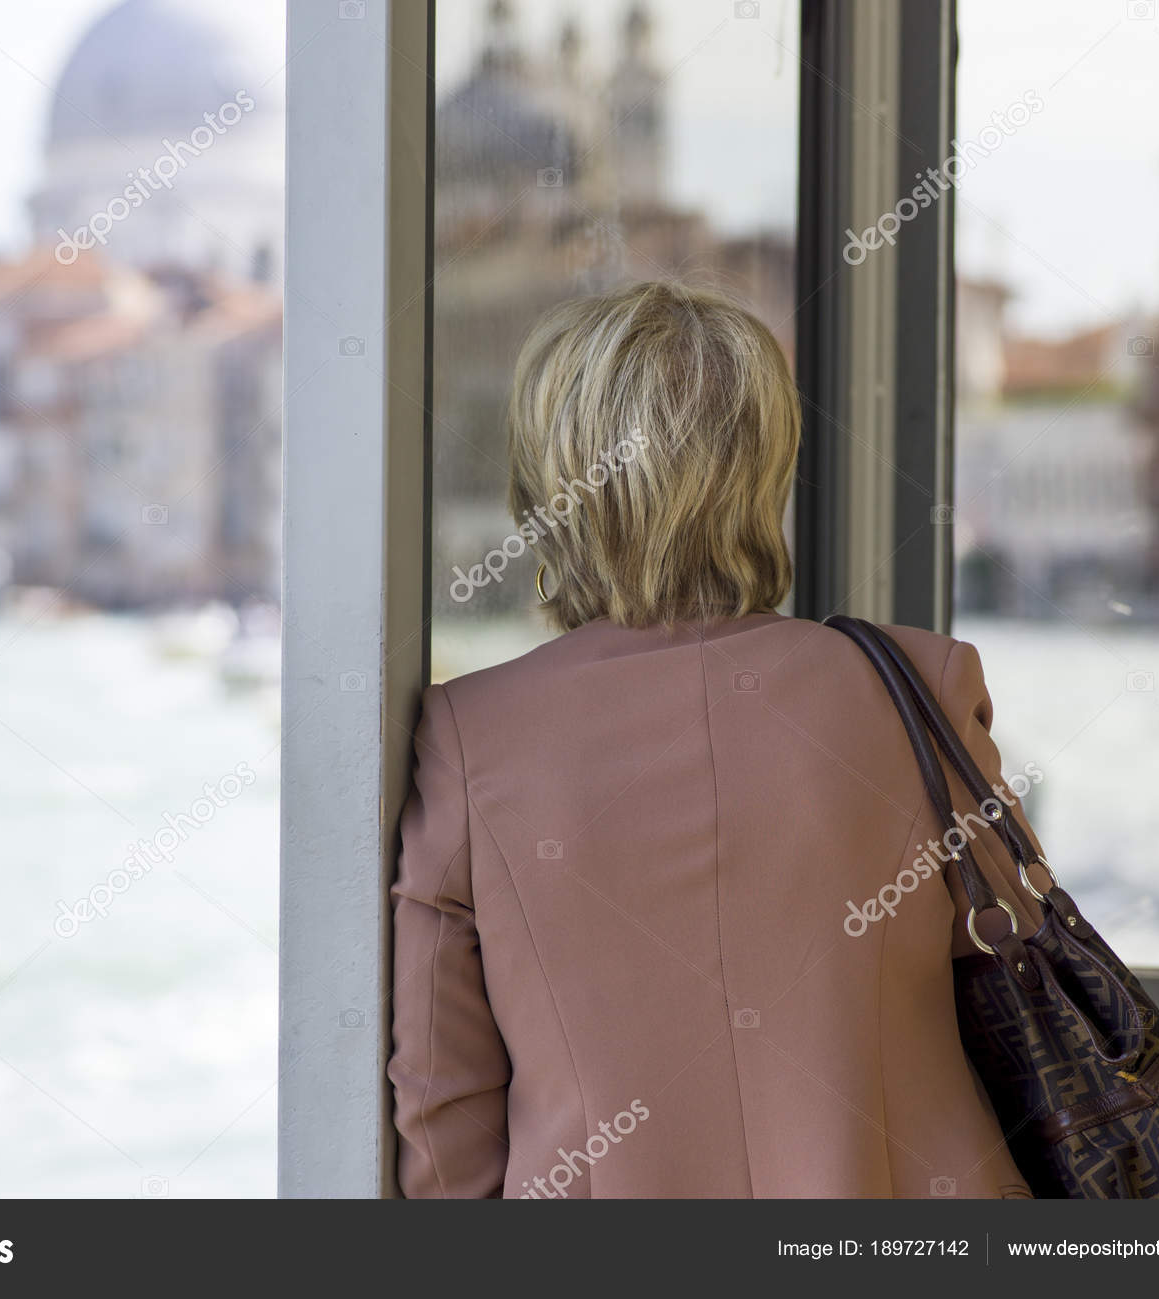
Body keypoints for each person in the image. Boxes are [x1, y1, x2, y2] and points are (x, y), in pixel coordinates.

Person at [388, 279, 1045, 1198]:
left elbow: (436, 1095)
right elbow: (1017, 947)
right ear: (768, 466)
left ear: (549, 486)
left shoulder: (470, 736)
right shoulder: (919, 689)